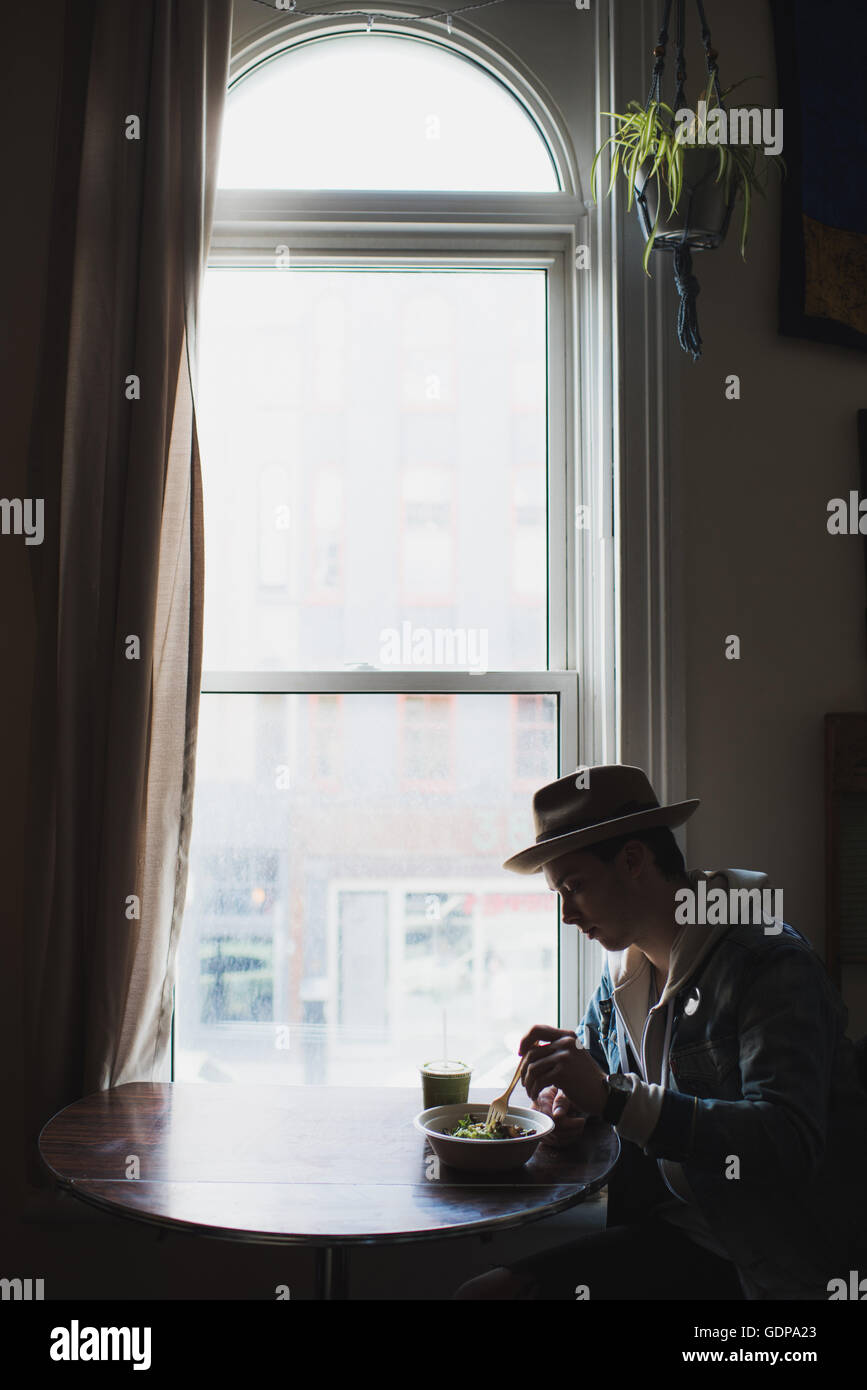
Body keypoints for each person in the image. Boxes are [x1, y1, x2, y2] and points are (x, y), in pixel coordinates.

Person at [455, 764, 867, 1300]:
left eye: (575, 887)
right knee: (485, 1294)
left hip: (789, 1264)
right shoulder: (621, 971)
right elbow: (600, 1085)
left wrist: (610, 1098)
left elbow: (787, 1139)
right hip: (687, 1232)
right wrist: (568, 1100)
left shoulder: (767, 962)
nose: (566, 915)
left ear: (633, 861)